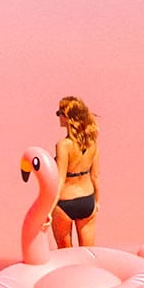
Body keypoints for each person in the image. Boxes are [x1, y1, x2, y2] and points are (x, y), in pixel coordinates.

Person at [51, 95, 101, 248]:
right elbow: (95, 176)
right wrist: (97, 202)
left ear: (68, 117)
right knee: (88, 254)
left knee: (66, 255)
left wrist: (49, 208)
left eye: (60, 113)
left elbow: (59, 179)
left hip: (65, 202)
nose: (58, 116)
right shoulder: (92, 143)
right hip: (87, 200)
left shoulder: (63, 145)